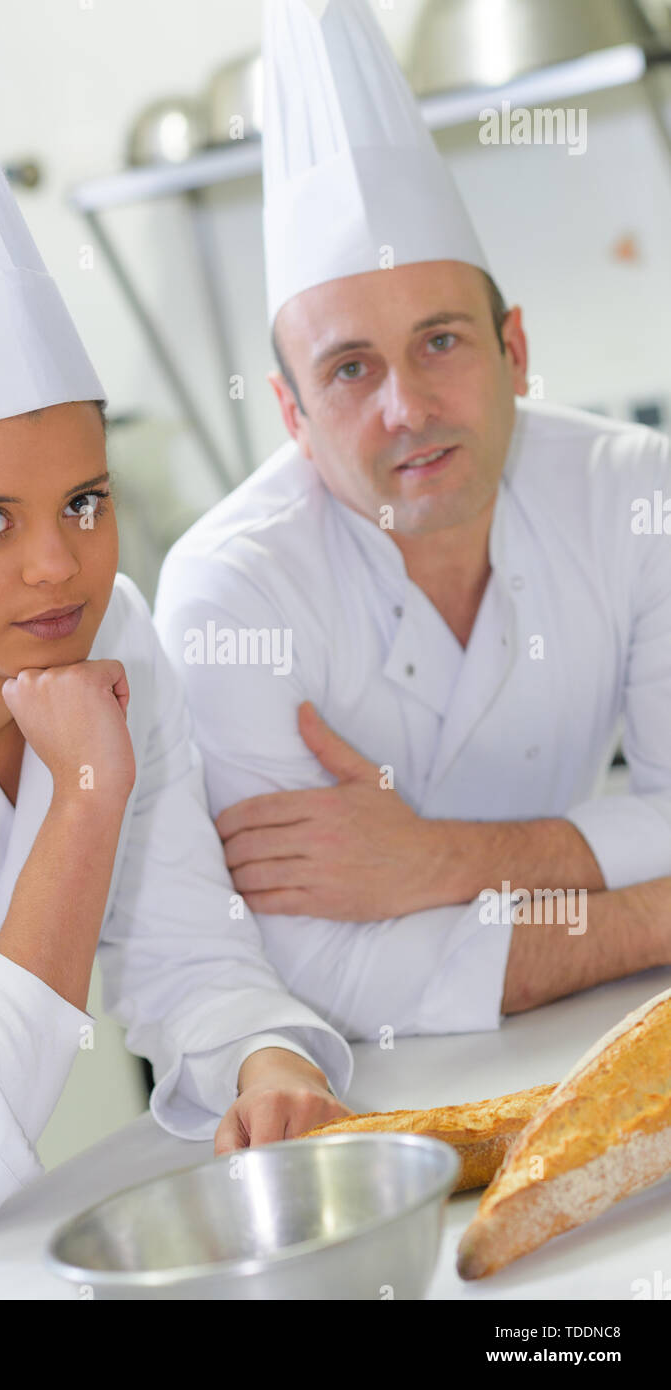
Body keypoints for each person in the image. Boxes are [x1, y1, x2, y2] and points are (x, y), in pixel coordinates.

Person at [0, 64, 354, 1291]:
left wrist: (268, 1060)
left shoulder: (122, 639)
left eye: (85, 501)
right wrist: (87, 794)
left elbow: (187, 958)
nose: (61, 569)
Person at [153, 0, 671, 1042]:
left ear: (513, 348)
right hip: (354, 1100)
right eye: (349, 369)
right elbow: (326, 965)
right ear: (291, 413)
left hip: (608, 1034)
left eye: (440, 342)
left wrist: (441, 861)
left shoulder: (632, 490)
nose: (406, 407)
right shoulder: (231, 590)